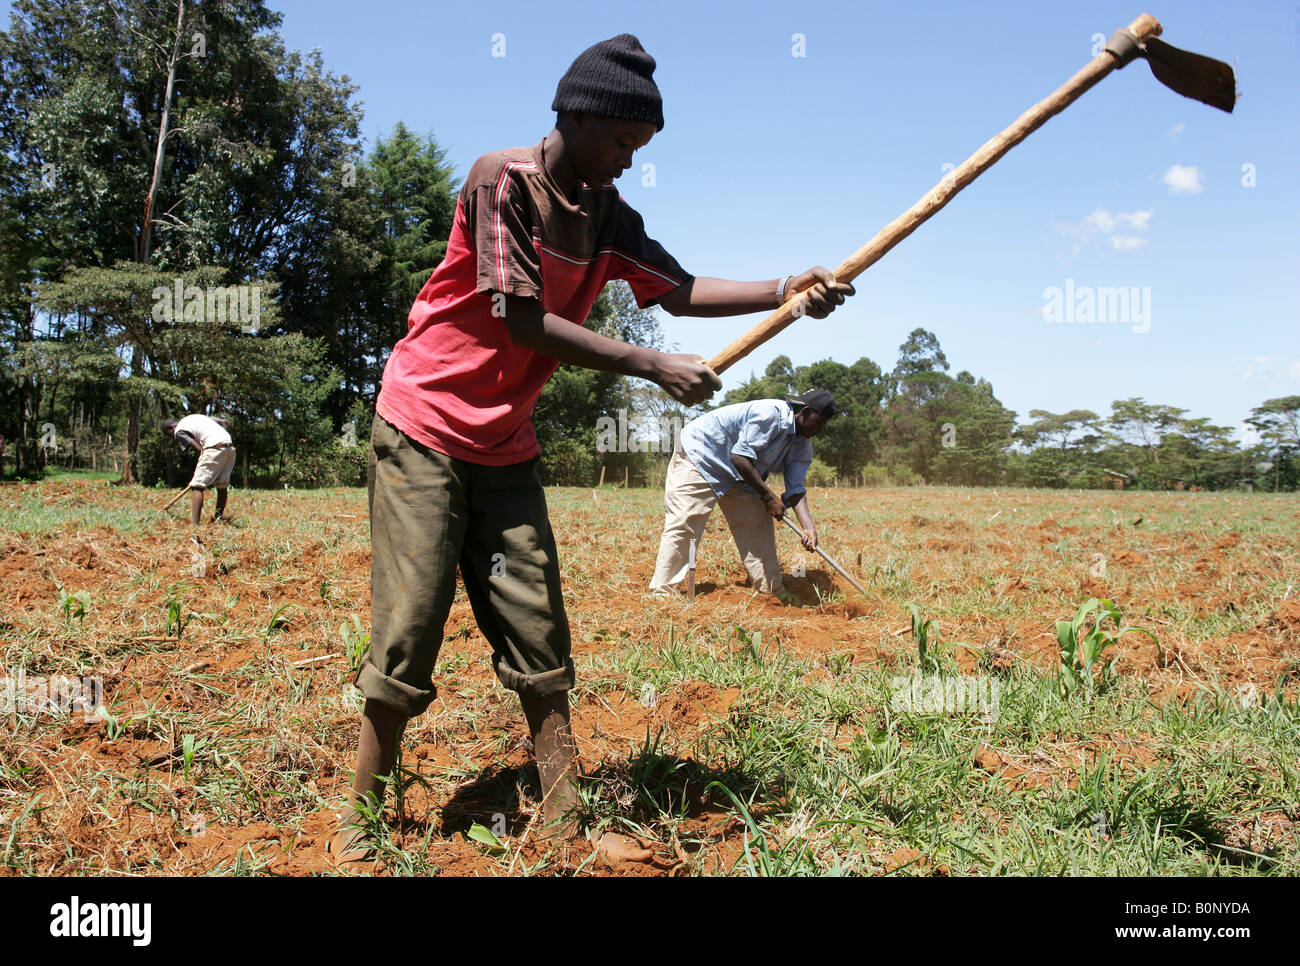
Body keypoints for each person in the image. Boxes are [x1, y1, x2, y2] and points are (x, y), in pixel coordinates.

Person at [330, 33, 854, 868]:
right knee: (410, 624)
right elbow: (519, 318)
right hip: (425, 427)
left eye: (638, 150)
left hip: (505, 443)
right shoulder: (501, 180)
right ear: (574, 113)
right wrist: (647, 364)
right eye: (619, 141)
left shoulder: (608, 214)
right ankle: (360, 813)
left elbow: (676, 291)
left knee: (537, 622)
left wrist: (784, 291)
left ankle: (564, 805)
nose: (626, 162)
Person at [650, 390, 836, 601]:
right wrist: (769, 497)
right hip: (701, 456)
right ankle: (662, 594)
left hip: (742, 473)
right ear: (805, 413)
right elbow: (739, 457)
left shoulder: (803, 444)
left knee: (757, 524)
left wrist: (808, 527)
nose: (820, 430)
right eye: (819, 423)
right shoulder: (771, 415)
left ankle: (772, 592)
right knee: (685, 521)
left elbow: (795, 489)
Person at [161, 414, 235, 525]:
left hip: (214, 447)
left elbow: (198, 448)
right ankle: (218, 519)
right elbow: (223, 422)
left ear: (171, 429)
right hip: (230, 448)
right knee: (222, 484)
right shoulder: (194, 418)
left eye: (169, 435)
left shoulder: (178, 431)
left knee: (197, 485)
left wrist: (205, 455)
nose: (173, 437)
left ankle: (194, 524)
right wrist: (222, 441)